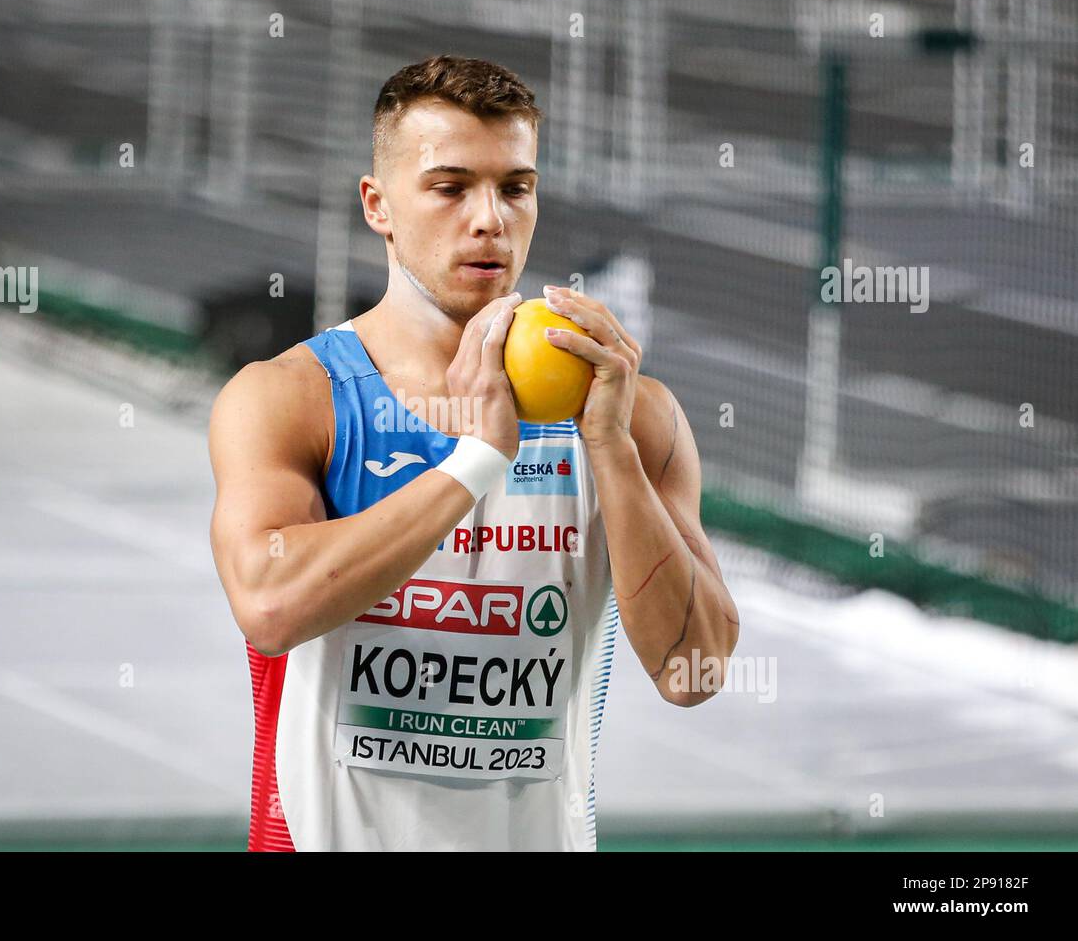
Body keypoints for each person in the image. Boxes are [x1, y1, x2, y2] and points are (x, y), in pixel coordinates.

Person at [207, 55, 740, 851]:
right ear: (378, 205)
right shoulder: (293, 397)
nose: (489, 218)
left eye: (515, 187)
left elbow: (692, 669)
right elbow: (272, 608)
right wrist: (476, 461)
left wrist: (610, 452)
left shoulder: (630, 415)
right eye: (451, 187)